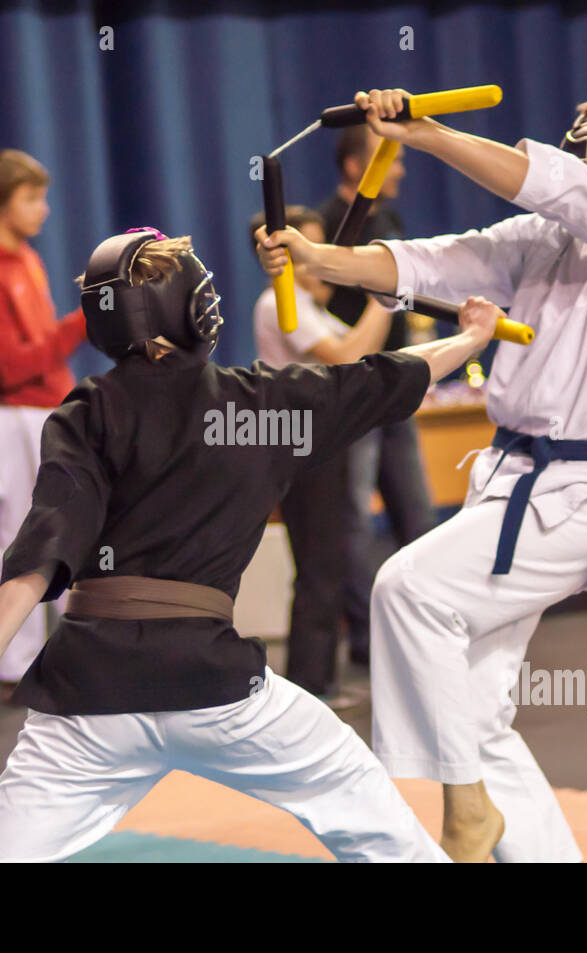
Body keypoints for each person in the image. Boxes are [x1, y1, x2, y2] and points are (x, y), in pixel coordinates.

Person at [0, 229, 503, 862]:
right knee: (370, 815)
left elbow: (49, 539)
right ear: (197, 307)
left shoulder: (86, 411)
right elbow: (384, 378)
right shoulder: (264, 406)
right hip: (215, 687)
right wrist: (471, 338)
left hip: (88, 695)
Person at [255, 89, 587, 862]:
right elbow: (434, 260)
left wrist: (422, 134)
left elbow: (546, 181)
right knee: (478, 711)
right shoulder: (543, 241)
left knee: (407, 589)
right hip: (508, 480)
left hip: (581, 492)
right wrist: (321, 258)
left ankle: (464, 810)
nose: (585, 166)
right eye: (582, 150)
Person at [0, 150, 87, 696]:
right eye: (31, 199)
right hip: (8, 419)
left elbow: (41, 353)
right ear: (1, 205)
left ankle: (55, 656)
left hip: (44, 411)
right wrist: (83, 320)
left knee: (61, 535)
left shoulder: (26, 259)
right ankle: (10, 666)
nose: (45, 210)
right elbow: (6, 368)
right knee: (14, 540)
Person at [249, 206, 391, 704]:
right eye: (304, 251)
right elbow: (349, 356)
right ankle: (309, 689)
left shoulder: (309, 307)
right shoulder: (277, 303)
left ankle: (318, 684)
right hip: (302, 445)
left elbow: (361, 354)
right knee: (318, 565)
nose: (315, 263)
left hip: (318, 441)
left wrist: (383, 306)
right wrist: (385, 301)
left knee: (325, 564)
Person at [317, 126, 436, 667]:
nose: (402, 171)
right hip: (351, 395)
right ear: (353, 168)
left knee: (418, 515)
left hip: (395, 390)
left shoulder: (388, 222)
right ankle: (370, 639)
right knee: (353, 521)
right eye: (392, 160)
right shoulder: (325, 227)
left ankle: (427, 628)